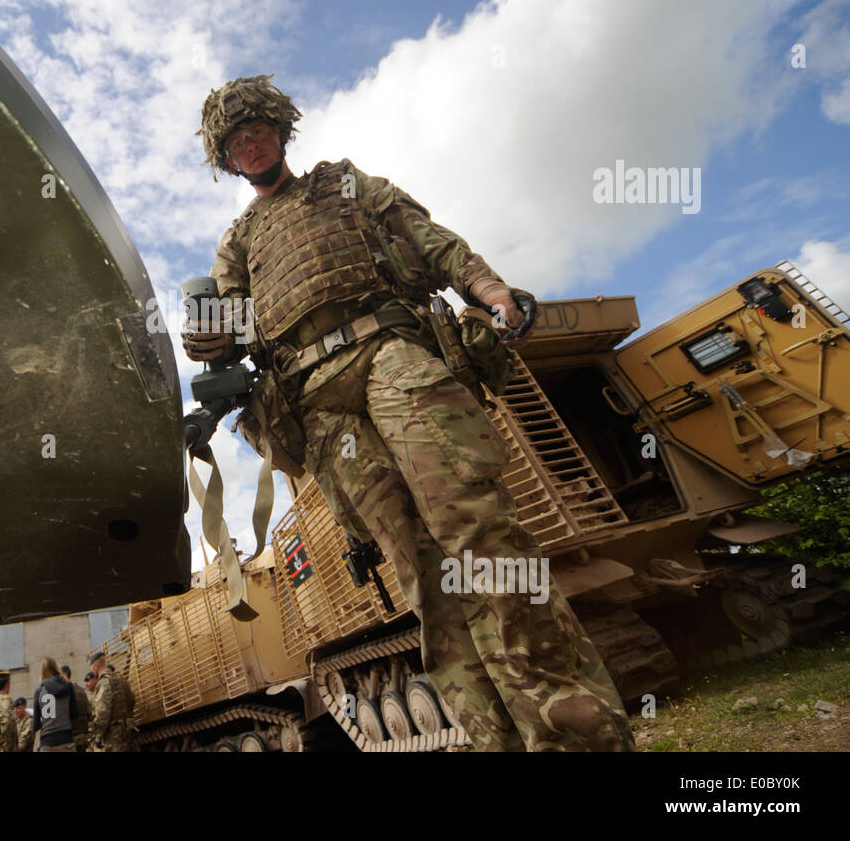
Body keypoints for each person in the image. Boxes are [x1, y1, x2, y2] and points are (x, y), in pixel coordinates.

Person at [184, 75, 633, 753]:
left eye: (258, 132)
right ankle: (494, 737)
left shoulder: (342, 185)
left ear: (280, 132)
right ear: (227, 161)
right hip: (318, 403)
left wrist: (490, 290)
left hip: (389, 351)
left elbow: (431, 241)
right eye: (236, 143)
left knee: (477, 528)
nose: (250, 147)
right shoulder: (237, 242)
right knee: (419, 570)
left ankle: (572, 724)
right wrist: (212, 342)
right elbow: (239, 334)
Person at [87, 651, 135, 752]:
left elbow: (103, 712)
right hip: (126, 732)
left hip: (112, 735)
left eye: (91, 668)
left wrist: (97, 736)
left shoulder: (104, 682)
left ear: (96, 665)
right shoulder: (121, 680)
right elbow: (131, 700)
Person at [34, 658, 78, 752]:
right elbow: (75, 713)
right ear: (57, 668)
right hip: (66, 739)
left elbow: (36, 725)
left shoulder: (39, 691)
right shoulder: (68, 686)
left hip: (47, 742)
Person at [63, 664, 91, 751]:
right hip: (82, 739)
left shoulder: (62, 692)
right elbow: (89, 714)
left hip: (69, 741)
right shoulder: (81, 691)